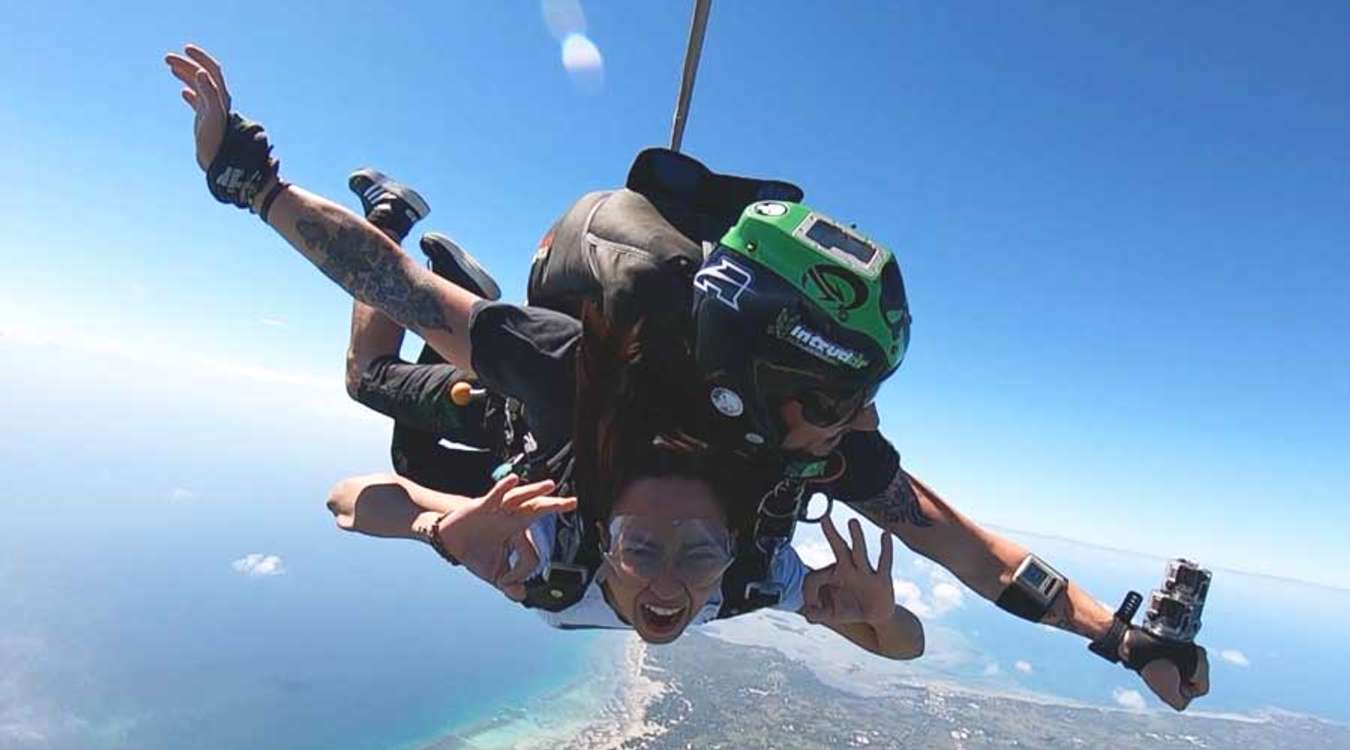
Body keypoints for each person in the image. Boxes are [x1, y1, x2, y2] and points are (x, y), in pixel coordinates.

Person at [165, 44, 1209, 709]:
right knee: (375, 377)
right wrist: (249, 179)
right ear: (752, 376)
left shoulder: (792, 456)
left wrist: (1123, 639)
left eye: (686, 552)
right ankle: (409, 210)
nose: (856, 422)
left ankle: (455, 259)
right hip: (534, 419)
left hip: (539, 435)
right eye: (837, 397)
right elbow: (390, 287)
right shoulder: (590, 384)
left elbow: (965, 550)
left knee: (427, 356)